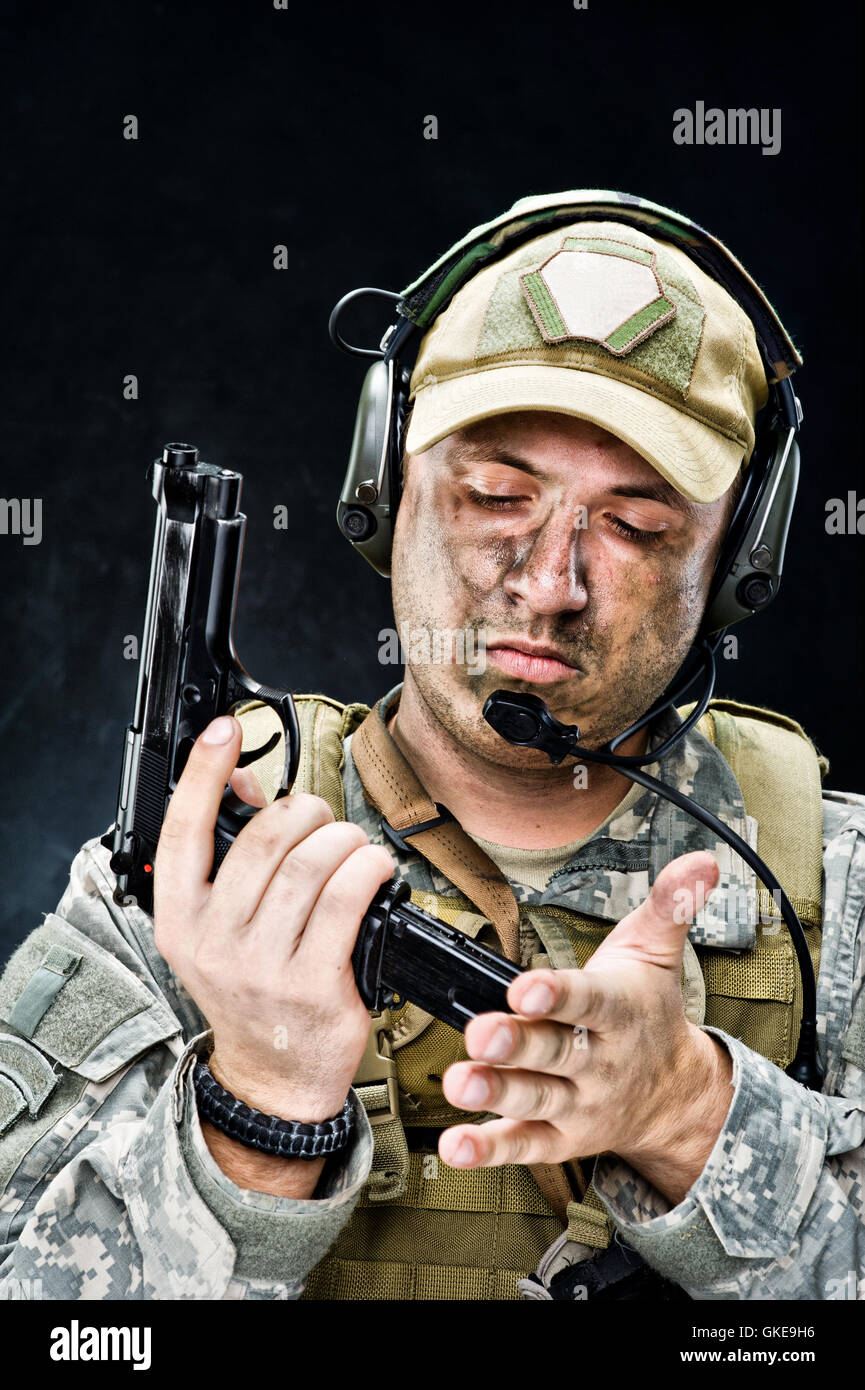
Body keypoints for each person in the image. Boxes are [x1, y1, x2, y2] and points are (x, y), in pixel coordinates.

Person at [0, 193, 862, 1303]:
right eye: (496, 494)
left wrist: (692, 1117)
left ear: (740, 559)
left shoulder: (833, 901)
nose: (549, 582)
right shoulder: (187, 886)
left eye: (638, 525)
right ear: (385, 485)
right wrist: (256, 1116)